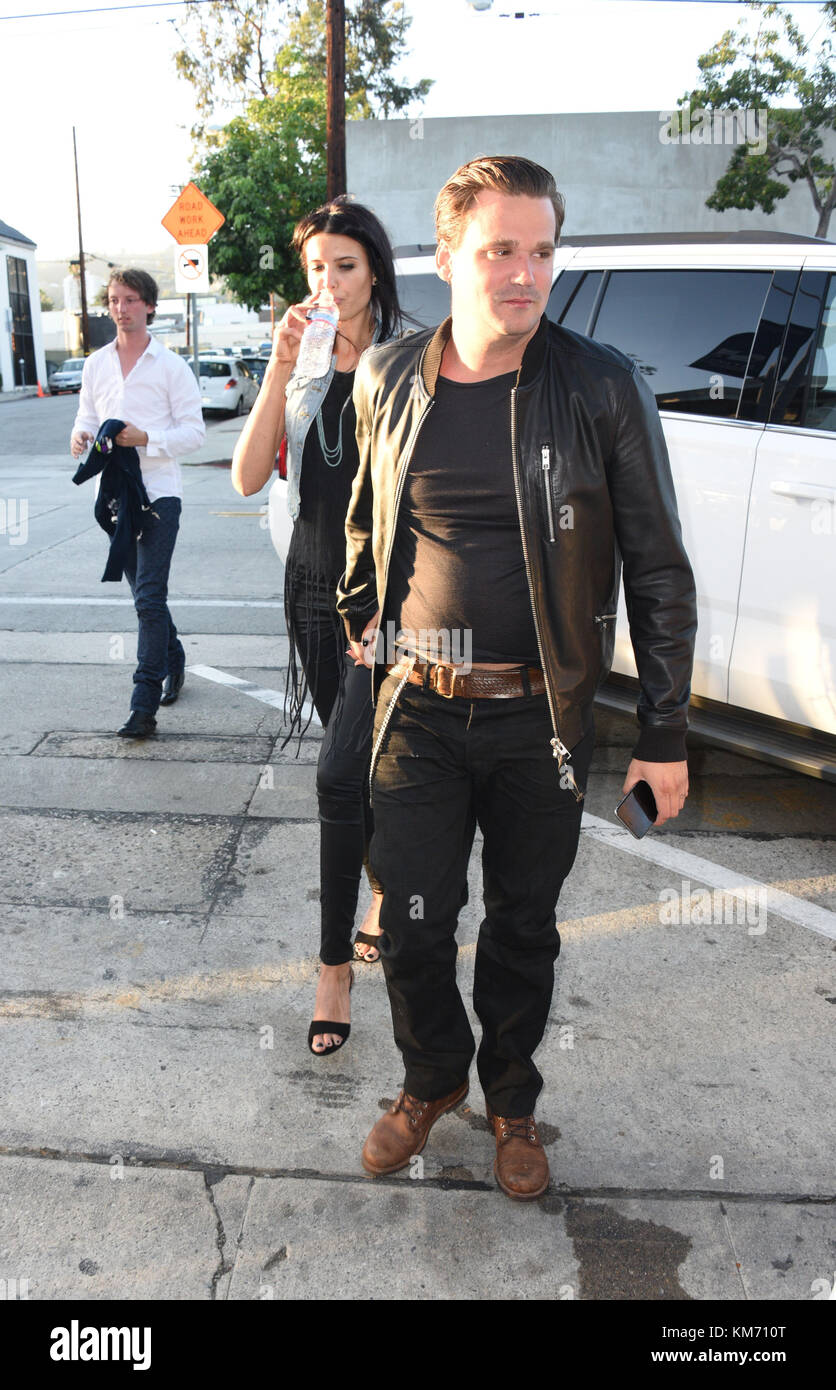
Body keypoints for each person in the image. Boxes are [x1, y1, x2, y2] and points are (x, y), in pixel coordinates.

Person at [336, 156, 697, 1200]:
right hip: (415, 707)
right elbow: (364, 515)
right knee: (410, 924)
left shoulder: (600, 387)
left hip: (539, 718)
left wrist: (663, 735)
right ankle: (431, 1079)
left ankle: (511, 1100)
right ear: (447, 256)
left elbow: (657, 569)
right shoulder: (387, 377)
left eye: (541, 251)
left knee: (522, 927)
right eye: (501, 250)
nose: (525, 273)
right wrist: (363, 619)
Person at [231, 197, 405, 1055]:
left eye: (344, 266)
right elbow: (245, 476)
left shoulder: (409, 358)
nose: (328, 283)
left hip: (381, 601)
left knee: (344, 776)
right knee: (357, 767)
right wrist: (277, 366)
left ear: (374, 269)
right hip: (309, 585)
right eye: (314, 269)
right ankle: (380, 894)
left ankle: (333, 967)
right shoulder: (298, 357)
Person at [70, 268, 205, 736]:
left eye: (130, 299)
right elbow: (87, 417)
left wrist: (146, 438)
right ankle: (175, 655)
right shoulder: (96, 364)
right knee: (145, 597)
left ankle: (143, 705)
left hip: (160, 495)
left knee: (148, 597)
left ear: (149, 305)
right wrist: (80, 435)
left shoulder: (170, 366)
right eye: (114, 300)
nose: (121, 308)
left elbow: (194, 434)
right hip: (114, 497)